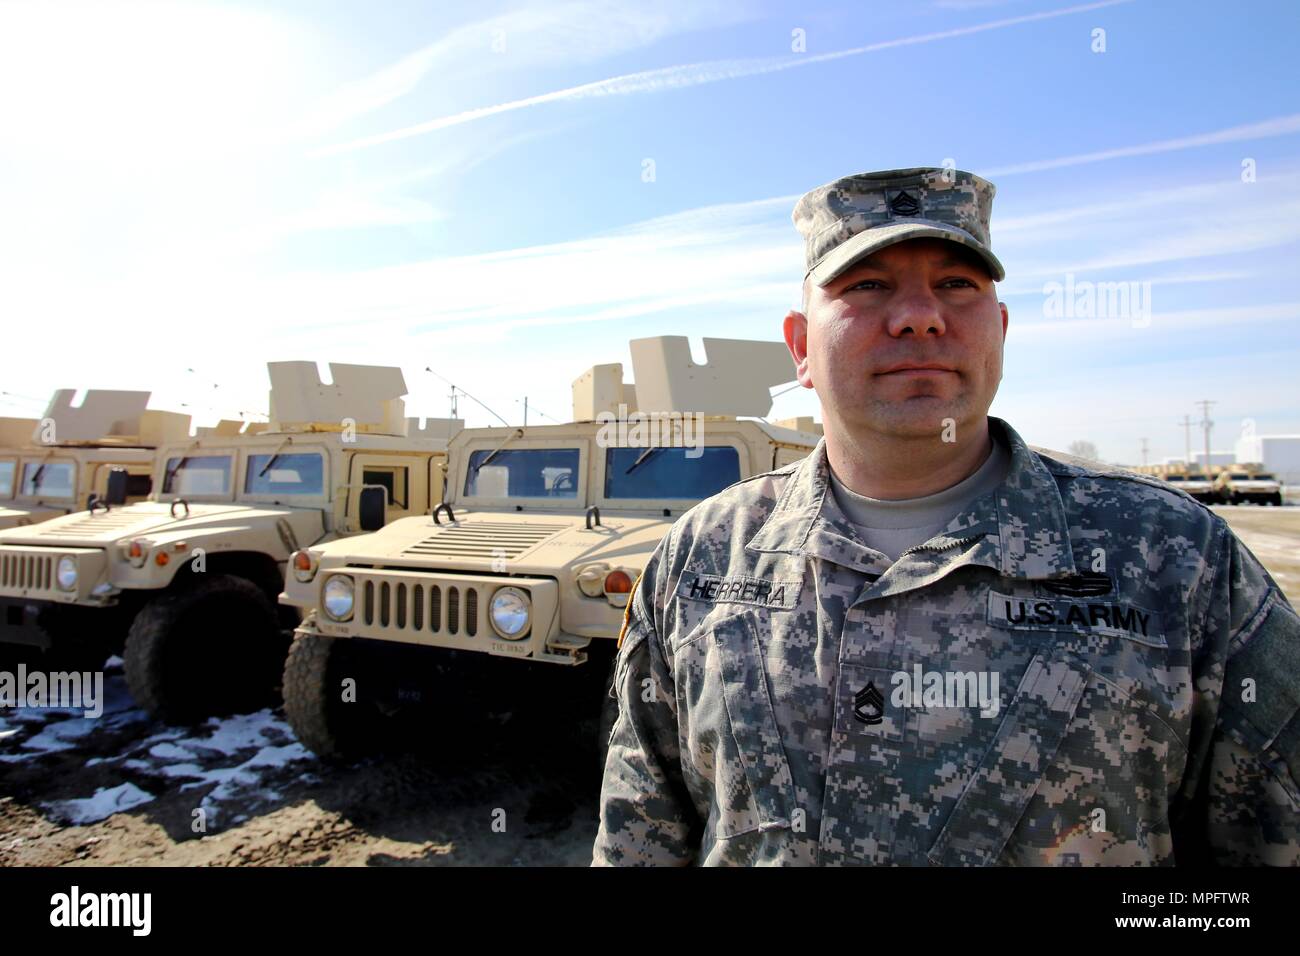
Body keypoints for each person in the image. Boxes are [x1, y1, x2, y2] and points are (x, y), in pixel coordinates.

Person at [591, 166, 1300, 866]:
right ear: (802, 347)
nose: (919, 315)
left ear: (1000, 327)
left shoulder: (1173, 556)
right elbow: (640, 833)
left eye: (957, 285)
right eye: (868, 286)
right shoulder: (705, 557)